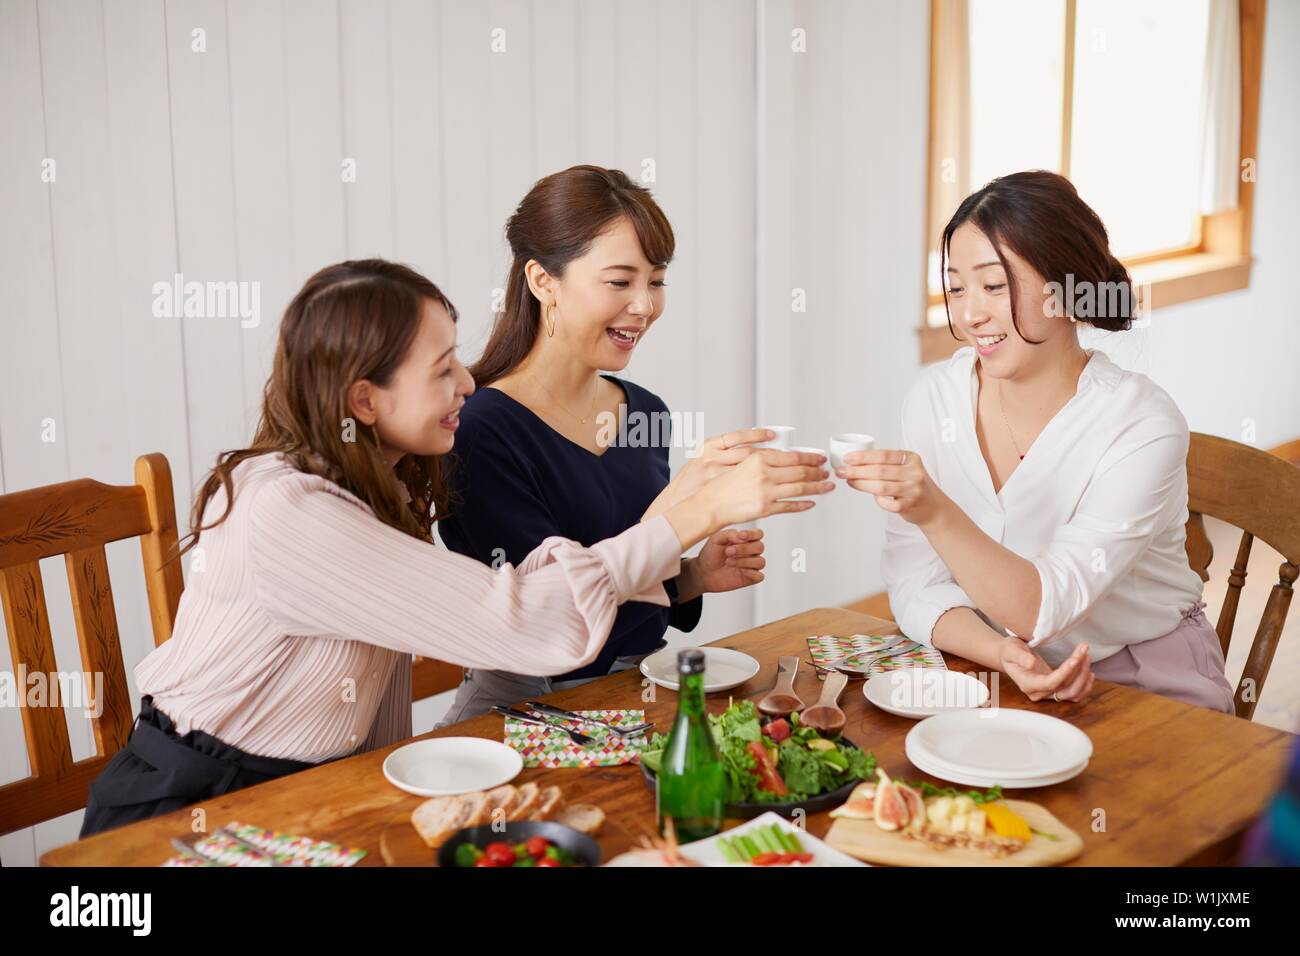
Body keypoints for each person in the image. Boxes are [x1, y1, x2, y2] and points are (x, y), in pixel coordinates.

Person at [80, 259, 830, 837]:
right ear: (363, 400)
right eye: (442, 371)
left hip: (311, 793)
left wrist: (679, 564)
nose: (468, 382)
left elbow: (518, 594)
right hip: (189, 810)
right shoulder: (288, 512)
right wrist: (685, 515)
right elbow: (525, 620)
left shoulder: (378, 485)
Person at [843, 171, 1234, 712]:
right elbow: (914, 581)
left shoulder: (1142, 423)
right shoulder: (934, 401)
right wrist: (1000, 651)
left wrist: (933, 510)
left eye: (994, 285)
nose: (970, 312)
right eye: (956, 287)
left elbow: (1044, 605)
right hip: (998, 670)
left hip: (1145, 680)